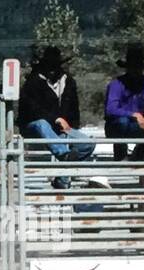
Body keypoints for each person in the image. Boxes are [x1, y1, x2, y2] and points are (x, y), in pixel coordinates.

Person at [19, 45, 94, 188]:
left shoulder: (69, 82)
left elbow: (74, 109)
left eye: (55, 64)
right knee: (42, 123)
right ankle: (64, 156)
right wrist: (56, 119)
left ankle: (62, 175)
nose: (52, 69)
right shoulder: (32, 83)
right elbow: (32, 109)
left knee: (88, 144)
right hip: (34, 127)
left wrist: (71, 128)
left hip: (60, 129)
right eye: (49, 64)